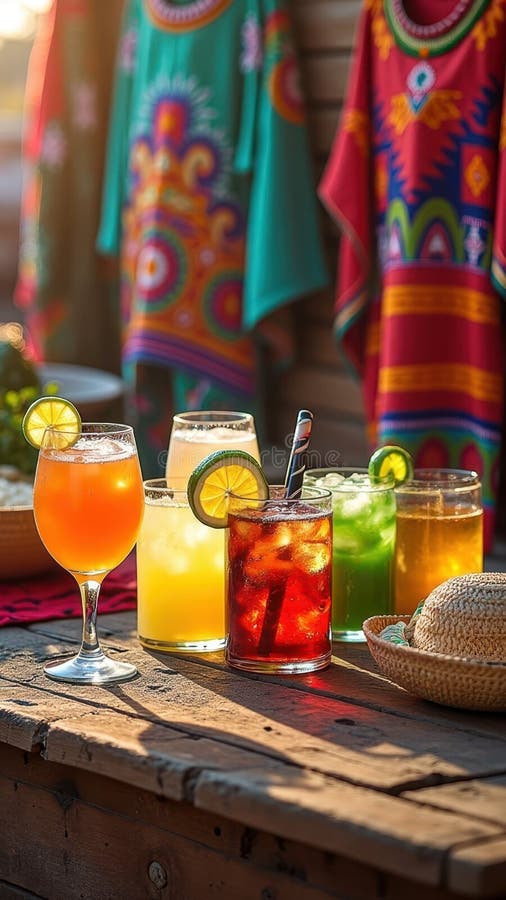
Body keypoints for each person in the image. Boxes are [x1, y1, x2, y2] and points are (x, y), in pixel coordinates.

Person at [97, 0, 328, 475]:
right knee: (147, 457)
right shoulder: (137, 13)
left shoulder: (254, 9)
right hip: (148, 261)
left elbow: (277, 126)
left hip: (223, 265)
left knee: (222, 463)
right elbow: (122, 129)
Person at [319, 0, 506, 552]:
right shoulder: (378, 19)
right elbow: (356, 149)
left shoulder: (495, 19)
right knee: (393, 524)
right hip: (399, 282)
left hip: (474, 279)